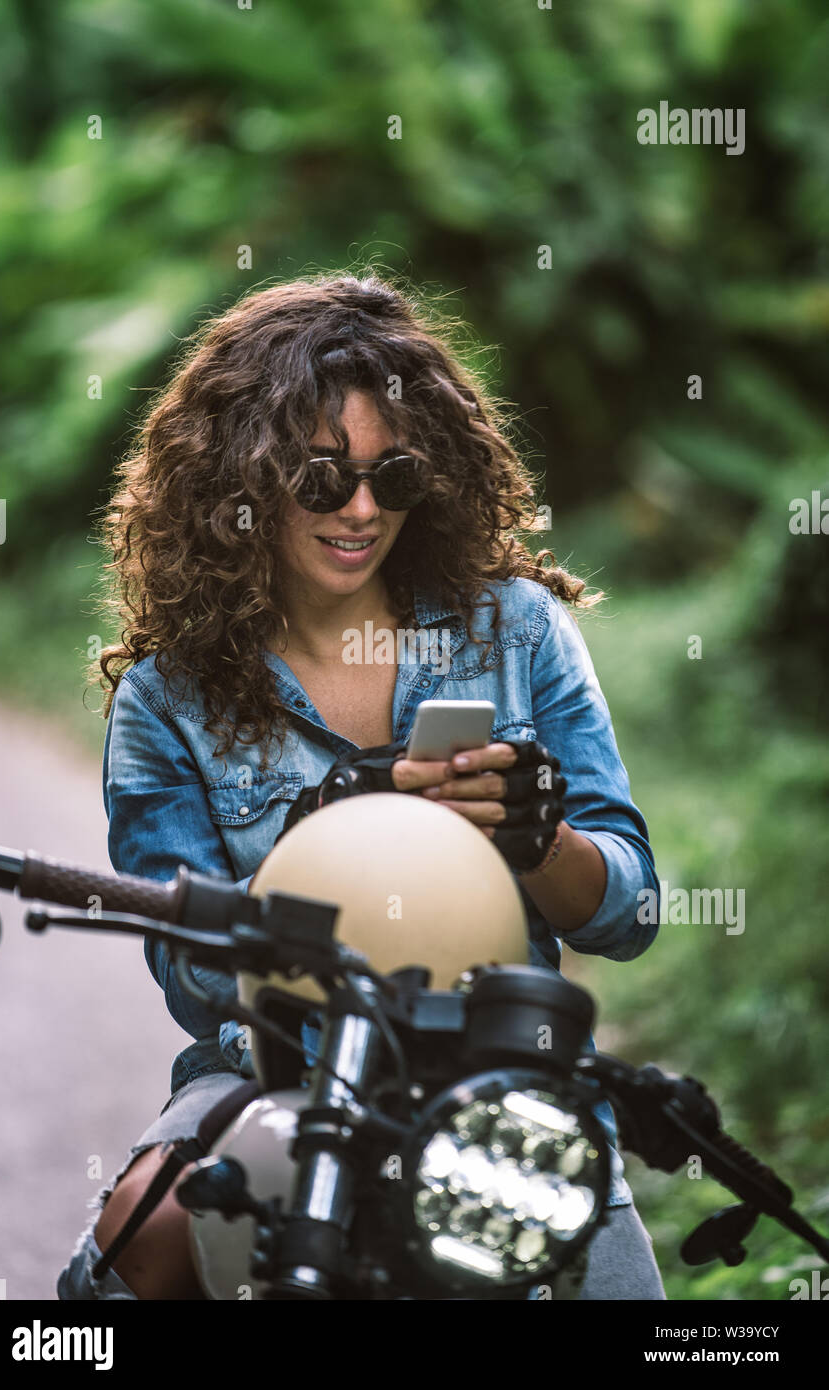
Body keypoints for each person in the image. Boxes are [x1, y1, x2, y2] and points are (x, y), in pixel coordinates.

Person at [58, 270, 665, 1300]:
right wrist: (327, 842)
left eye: (397, 475)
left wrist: (538, 838)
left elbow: (630, 912)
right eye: (324, 478)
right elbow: (195, 976)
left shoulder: (517, 629)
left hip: (508, 1085)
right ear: (240, 484)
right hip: (277, 1083)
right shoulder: (168, 701)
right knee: (134, 1247)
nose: (365, 508)